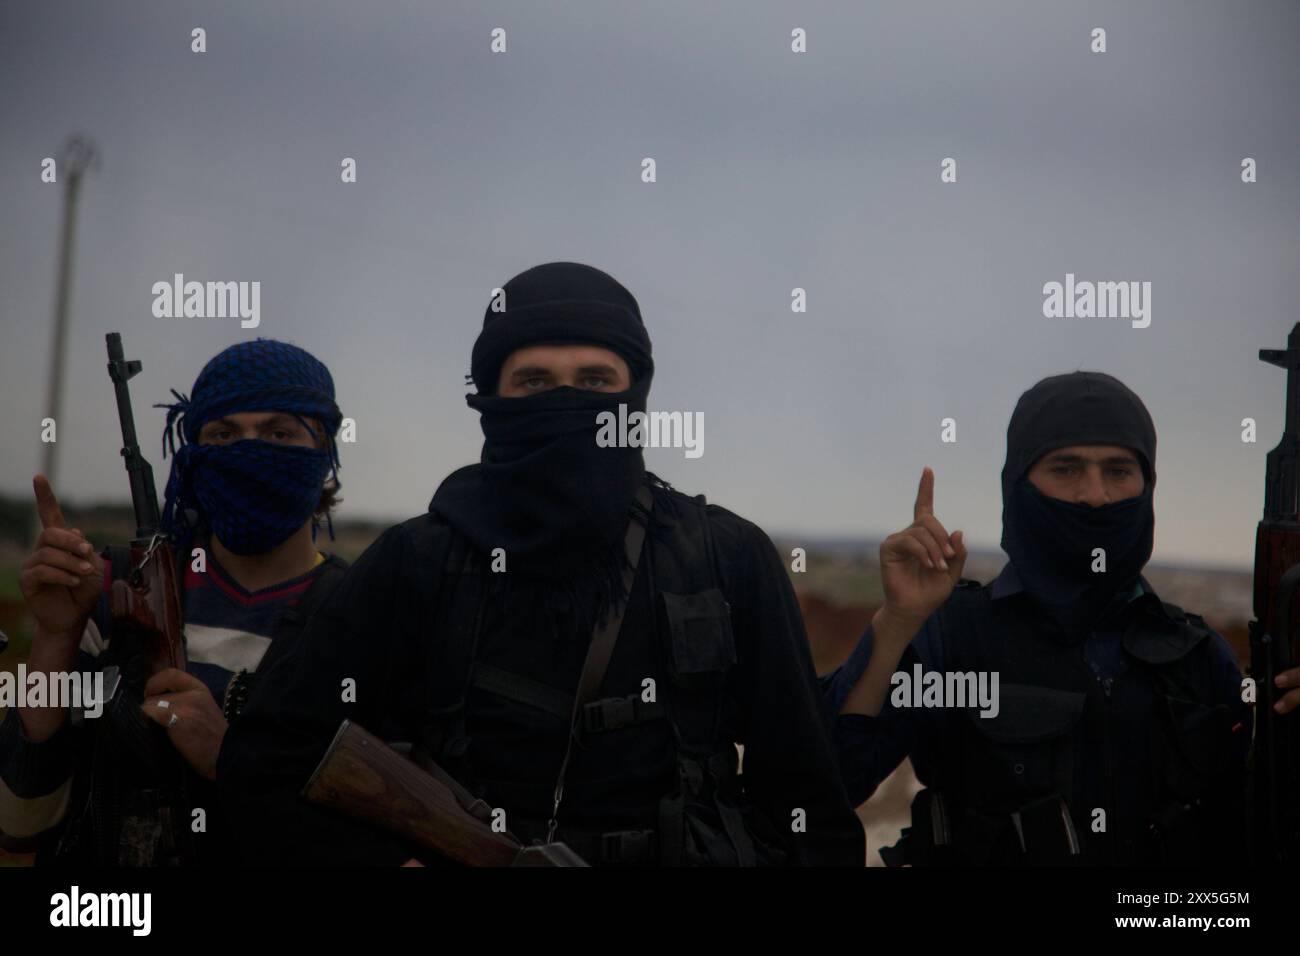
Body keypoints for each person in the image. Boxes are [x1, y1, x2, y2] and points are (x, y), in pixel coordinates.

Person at [219, 261, 865, 866]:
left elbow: (810, 814)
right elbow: (265, 769)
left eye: (594, 382)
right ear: (493, 400)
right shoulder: (417, 562)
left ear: (634, 395)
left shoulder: (725, 560)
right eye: (533, 382)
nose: (566, 402)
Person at [823, 371, 1251, 865]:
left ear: (1147, 485)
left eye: (1118, 471)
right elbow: (828, 782)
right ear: (1018, 484)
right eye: (1066, 469)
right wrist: (897, 622)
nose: (1095, 495)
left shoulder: (1199, 657)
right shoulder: (953, 635)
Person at [0, 338, 350, 865]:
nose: (247, 450)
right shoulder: (113, 595)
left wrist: (230, 762)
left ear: (324, 451)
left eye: (279, 432)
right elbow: (18, 821)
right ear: (192, 455)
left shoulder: (360, 617)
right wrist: (55, 637)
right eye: (223, 433)